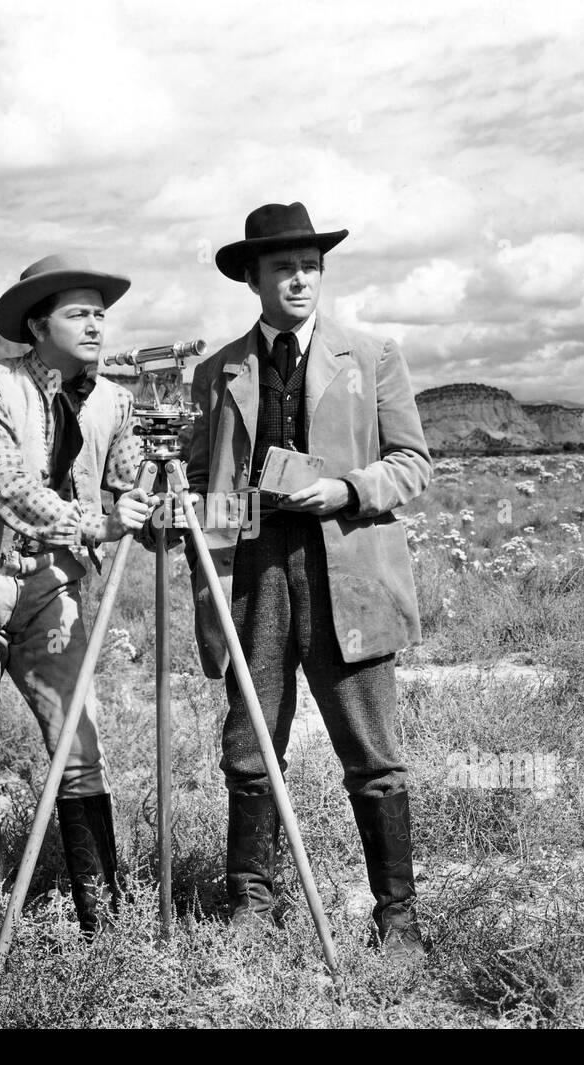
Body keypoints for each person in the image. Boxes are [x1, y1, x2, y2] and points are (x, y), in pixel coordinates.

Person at [186, 201, 433, 958]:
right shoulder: (215, 371)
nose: (300, 279)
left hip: (347, 569)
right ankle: (250, 907)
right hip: (256, 572)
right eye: (284, 267)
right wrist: (196, 517)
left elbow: (414, 464)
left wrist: (349, 491)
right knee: (250, 744)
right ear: (254, 278)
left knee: (373, 751)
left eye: (310, 266)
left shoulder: (374, 355)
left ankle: (397, 917)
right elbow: (200, 482)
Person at [0, 254, 152, 972]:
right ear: (38, 324)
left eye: (101, 312)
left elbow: (127, 482)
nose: (96, 324)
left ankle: (101, 924)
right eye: (79, 312)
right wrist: (93, 524)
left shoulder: (114, 401)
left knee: (80, 746)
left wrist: (151, 492)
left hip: (54, 581)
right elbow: (3, 482)